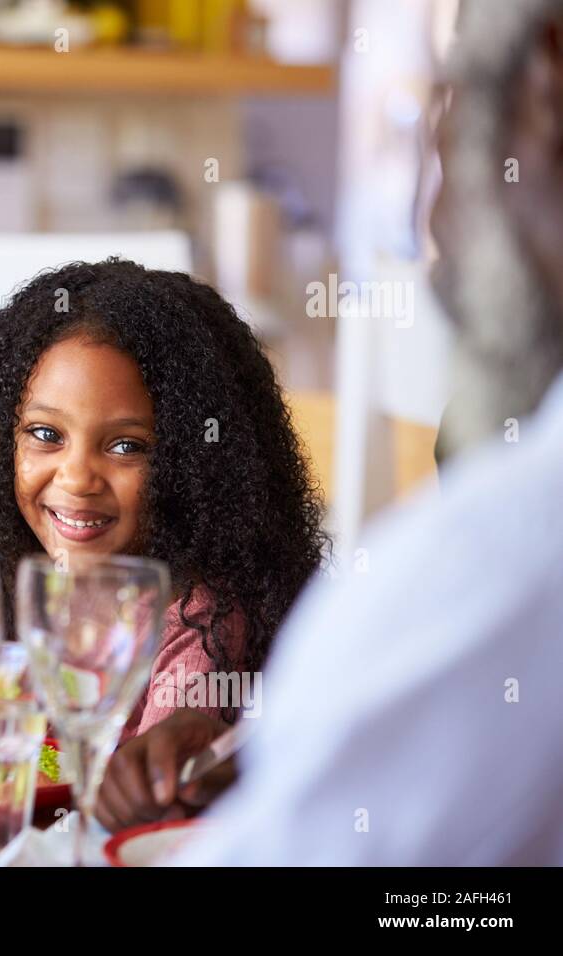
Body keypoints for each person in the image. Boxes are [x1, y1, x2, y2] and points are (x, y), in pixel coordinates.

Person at [99, 0, 563, 864]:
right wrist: (285, 759)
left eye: (451, 108)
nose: (430, 221)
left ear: (546, 83)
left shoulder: (495, 557)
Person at [0, 259, 328, 734]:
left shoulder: (201, 623)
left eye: (126, 446)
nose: (76, 479)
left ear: (193, 464)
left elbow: (151, 793)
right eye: (46, 433)